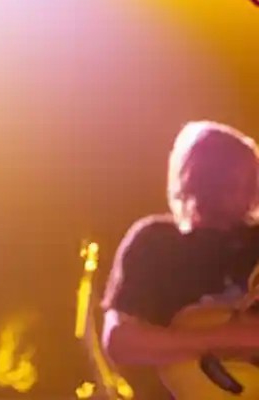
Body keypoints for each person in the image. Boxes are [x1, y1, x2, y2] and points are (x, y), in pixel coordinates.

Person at [101, 120, 259, 394]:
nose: (246, 192)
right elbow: (120, 342)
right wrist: (224, 339)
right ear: (197, 179)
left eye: (250, 180)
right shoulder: (154, 242)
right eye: (232, 180)